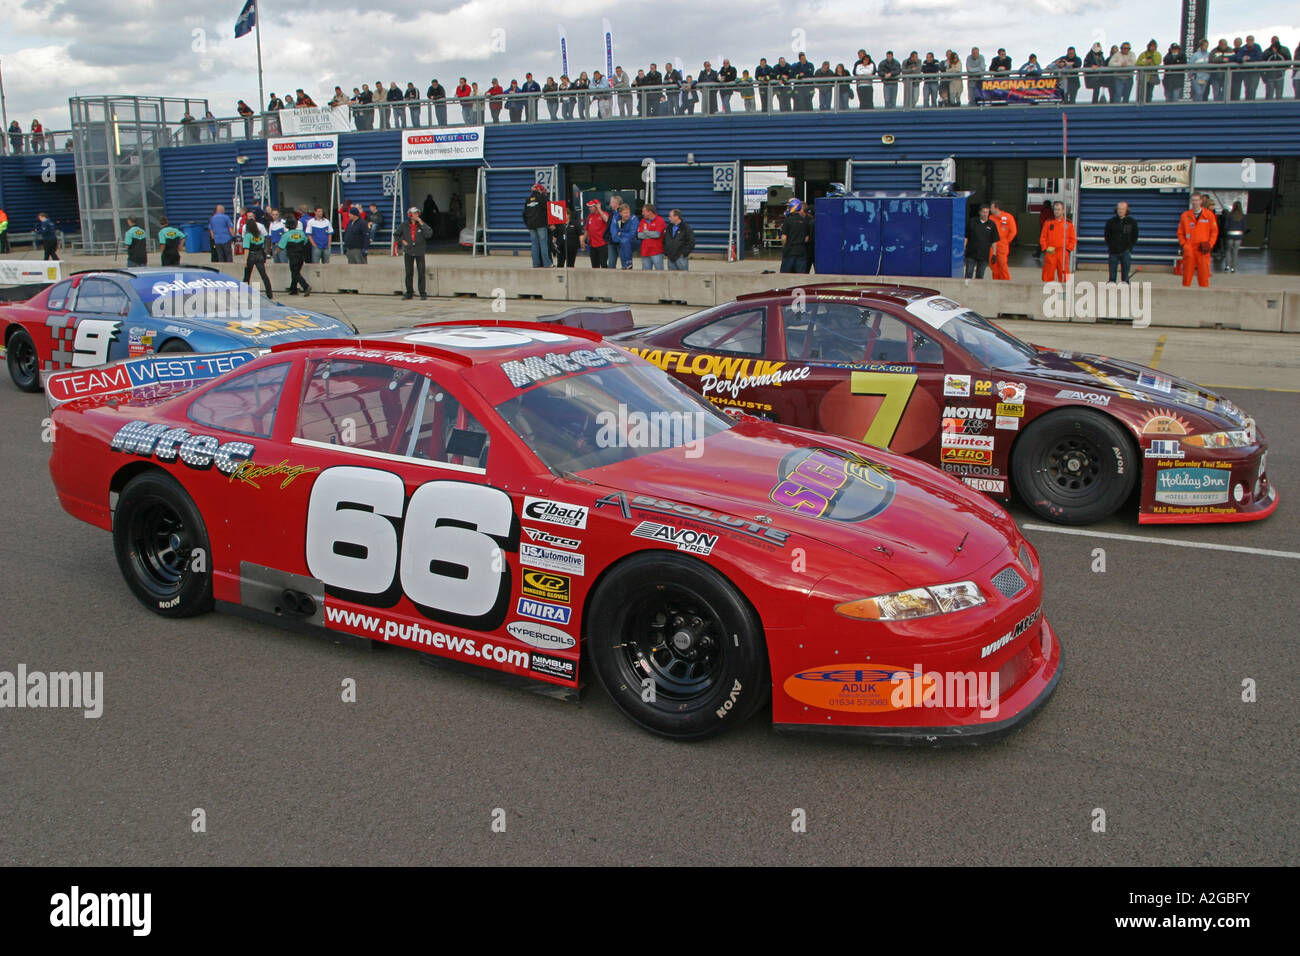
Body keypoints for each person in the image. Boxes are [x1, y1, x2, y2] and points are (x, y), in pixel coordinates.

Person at [1178, 193, 1218, 288]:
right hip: (1189, 248)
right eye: (1193, 200)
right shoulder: (1185, 215)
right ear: (1191, 201)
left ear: (1201, 201)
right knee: (1187, 274)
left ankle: (1204, 295)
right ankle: (1186, 294)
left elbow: (1214, 232)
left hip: (1203, 249)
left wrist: (1210, 244)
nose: (1195, 202)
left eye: (1196, 200)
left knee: (1204, 274)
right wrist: (1184, 244)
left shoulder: (1208, 215)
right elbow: (1180, 232)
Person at [395, 207, 432, 299]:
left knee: (421, 272)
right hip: (409, 251)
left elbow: (428, 234)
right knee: (409, 273)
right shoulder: (404, 225)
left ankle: (422, 293)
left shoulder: (421, 225)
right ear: (410, 215)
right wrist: (402, 241)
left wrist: (421, 223)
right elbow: (396, 235)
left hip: (419, 251)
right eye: (414, 213)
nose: (416, 215)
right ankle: (409, 292)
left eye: (417, 213)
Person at [239, 211, 273, 299]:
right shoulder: (260, 235)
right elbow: (263, 243)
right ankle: (269, 293)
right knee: (263, 275)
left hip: (251, 255)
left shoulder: (248, 236)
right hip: (260, 255)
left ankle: (243, 294)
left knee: (247, 275)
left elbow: (246, 248)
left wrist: (245, 260)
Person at [1039, 202, 1076, 283]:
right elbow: (1043, 237)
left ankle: (1065, 289)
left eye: (1058, 210)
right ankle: (1047, 289)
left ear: (1063, 211)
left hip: (1063, 252)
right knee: (1048, 272)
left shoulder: (1068, 224)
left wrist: (1068, 250)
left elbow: (1073, 239)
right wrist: (1045, 248)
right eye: (1055, 209)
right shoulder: (1048, 222)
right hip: (1050, 251)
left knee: (1064, 273)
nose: (1056, 212)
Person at [1104, 201, 1139, 283]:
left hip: (1126, 250)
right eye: (1119, 209)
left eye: (1123, 209)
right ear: (1116, 209)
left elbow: (1135, 235)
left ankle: (1125, 282)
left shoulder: (1131, 222)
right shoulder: (1111, 222)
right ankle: (1112, 282)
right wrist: (1111, 245)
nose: (1120, 211)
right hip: (1113, 250)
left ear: (1126, 210)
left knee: (1126, 269)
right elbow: (1107, 235)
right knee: (1112, 268)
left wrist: (1130, 247)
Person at [278, 217, 312, 296]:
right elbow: (305, 241)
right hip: (301, 256)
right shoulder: (301, 233)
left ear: (287, 226)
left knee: (295, 273)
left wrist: (276, 252)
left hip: (292, 256)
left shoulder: (286, 235)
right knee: (296, 272)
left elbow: (281, 246)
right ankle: (293, 289)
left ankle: (306, 286)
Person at [964, 204, 999, 278]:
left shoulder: (992, 224)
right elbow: (966, 237)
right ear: (979, 212)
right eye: (983, 212)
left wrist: (994, 254)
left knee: (980, 274)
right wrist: (964, 248)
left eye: (986, 212)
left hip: (984, 254)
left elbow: (994, 240)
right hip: (971, 253)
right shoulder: (972, 222)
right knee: (969, 273)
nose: (985, 214)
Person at [523, 184, 551, 268]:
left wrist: (528, 224)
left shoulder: (528, 200)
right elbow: (550, 208)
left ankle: (535, 263)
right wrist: (549, 223)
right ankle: (547, 263)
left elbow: (524, 214)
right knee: (543, 244)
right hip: (541, 224)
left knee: (534, 244)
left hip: (531, 225)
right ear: (540, 190)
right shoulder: (542, 197)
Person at [780, 198, 810, 273]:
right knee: (800, 275)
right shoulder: (805, 221)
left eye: (788, 207)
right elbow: (806, 238)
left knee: (784, 275)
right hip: (801, 251)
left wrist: (784, 246)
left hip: (789, 251)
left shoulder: (787, 221)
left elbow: (784, 238)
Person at [988, 200, 1016, 280]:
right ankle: (996, 282)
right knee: (993, 264)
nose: (990, 209)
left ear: (997, 208)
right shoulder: (990, 218)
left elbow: (1013, 231)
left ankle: (1006, 282)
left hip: (1002, 244)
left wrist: (1007, 241)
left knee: (1002, 264)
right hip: (992, 245)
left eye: (991, 207)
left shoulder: (1008, 217)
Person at [637, 203, 666, 270]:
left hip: (656, 251)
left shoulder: (660, 220)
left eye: (644, 211)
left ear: (650, 212)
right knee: (645, 274)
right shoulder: (642, 221)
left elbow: (657, 235)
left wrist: (646, 232)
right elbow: (639, 235)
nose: (642, 213)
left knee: (659, 272)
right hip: (645, 251)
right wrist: (651, 234)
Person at [1222, 201, 1247, 272]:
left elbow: (1226, 226)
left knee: (1227, 250)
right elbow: (1244, 227)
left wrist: (1225, 232)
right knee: (1235, 251)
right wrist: (1242, 233)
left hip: (1230, 234)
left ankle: (1227, 266)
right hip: (1239, 235)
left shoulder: (1229, 215)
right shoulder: (1243, 216)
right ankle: (1233, 268)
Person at [611, 205, 638, 269]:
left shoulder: (634, 218)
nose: (627, 215)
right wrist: (622, 238)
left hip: (634, 243)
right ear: (620, 213)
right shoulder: (615, 218)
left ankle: (628, 263)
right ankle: (626, 266)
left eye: (628, 212)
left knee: (625, 241)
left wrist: (621, 234)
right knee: (623, 242)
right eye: (625, 213)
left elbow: (632, 235)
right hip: (620, 244)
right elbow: (614, 236)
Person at [583, 200, 609, 267]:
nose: (589, 208)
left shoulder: (604, 213)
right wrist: (583, 240)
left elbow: (607, 220)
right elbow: (587, 229)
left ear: (596, 206)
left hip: (602, 244)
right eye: (589, 207)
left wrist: (599, 209)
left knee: (604, 264)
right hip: (592, 245)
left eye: (591, 207)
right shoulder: (590, 216)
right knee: (594, 265)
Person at [605, 195, 624, 268]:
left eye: (611, 202)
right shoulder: (612, 214)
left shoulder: (622, 213)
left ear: (617, 203)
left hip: (620, 241)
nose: (610, 204)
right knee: (611, 263)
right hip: (611, 241)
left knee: (624, 261)